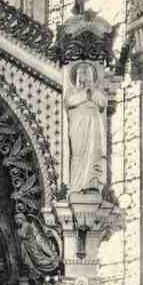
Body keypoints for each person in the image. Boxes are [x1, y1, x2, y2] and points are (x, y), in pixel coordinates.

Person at [64, 63, 107, 193]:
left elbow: (102, 102)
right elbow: (70, 101)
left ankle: (91, 183)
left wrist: (91, 91)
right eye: (81, 73)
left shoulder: (96, 91)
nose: (84, 76)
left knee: (93, 153)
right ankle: (77, 184)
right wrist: (86, 94)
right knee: (78, 153)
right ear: (76, 77)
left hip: (94, 124)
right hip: (78, 124)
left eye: (87, 73)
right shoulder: (72, 91)